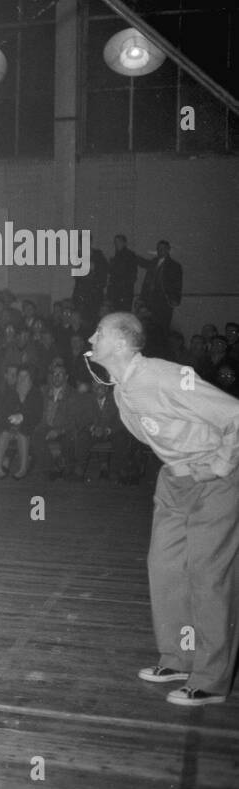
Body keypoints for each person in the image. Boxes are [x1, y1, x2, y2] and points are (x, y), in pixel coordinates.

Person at [88, 311, 239, 706]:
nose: (91, 337)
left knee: (207, 575)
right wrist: (180, 469)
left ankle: (210, 680)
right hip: (175, 481)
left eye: (99, 332)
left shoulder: (166, 375)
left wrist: (224, 460)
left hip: (215, 480)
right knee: (165, 567)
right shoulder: (122, 389)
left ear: (121, 343)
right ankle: (179, 657)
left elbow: (234, 413)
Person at [136, 240, 183, 339]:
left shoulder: (174, 265)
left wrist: (175, 299)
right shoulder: (153, 262)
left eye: (163, 248)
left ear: (168, 250)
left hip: (164, 301)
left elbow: (178, 284)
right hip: (150, 301)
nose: (160, 251)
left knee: (162, 328)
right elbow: (144, 263)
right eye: (158, 249)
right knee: (149, 327)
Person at [106, 234, 139, 313]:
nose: (116, 244)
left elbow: (132, 276)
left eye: (119, 242)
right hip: (117, 293)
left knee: (122, 315)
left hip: (123, 293)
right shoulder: (116, 256)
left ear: (124, 243)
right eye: (115, 242)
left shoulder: (129, 255)